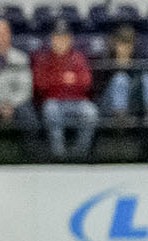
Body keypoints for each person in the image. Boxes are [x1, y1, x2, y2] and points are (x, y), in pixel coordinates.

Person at [32, 21, 98, 159]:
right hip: (54, 101)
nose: (60, 41)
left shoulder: (78, 58)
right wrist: (64, 78)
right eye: (57, 38)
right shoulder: (44, 59)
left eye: (64, 38)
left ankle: (80, 154)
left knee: (91, 112)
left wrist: (59, 80)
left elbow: (86, 82)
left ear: (70, 40)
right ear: (52, 39)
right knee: (51, 110)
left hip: (77, 101)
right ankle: (59, 155)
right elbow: (40, 84)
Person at [100, 24, 148, 122]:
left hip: (132, 102)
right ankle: (121, 119)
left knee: (145, 77)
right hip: (108, 104)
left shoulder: (137, 61)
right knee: (120, 78)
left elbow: (139, 85)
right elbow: (100, 89)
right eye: (121, 44)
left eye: (128, 44)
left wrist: (128, 66)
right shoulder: (106, 61)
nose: (125, 48)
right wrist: (118, 66)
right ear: (115, 44)